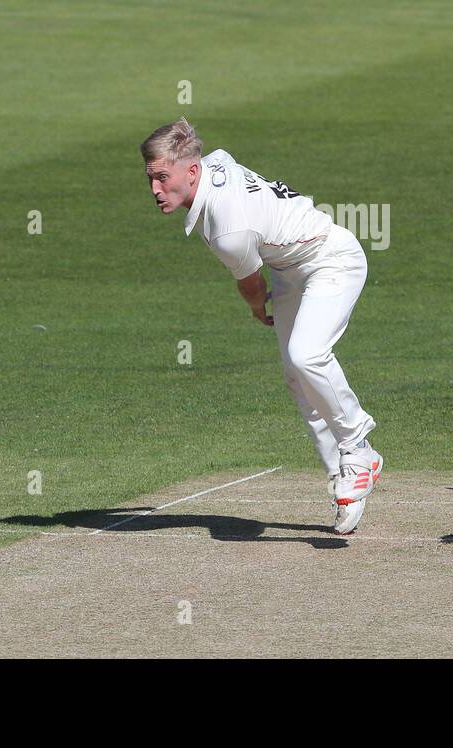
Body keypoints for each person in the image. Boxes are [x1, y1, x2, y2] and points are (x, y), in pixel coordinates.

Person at [141, 118, 382, 534]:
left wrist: (257, 308)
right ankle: (342, 476)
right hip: (291, 268)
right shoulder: (213, 161)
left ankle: (359, 448)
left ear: (191, 171)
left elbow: (252, 285)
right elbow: (222, 157)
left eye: (163, 178)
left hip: (331, 258)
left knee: (307, 355)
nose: (155, 190)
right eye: (150, 179)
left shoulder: (228, 232)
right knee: (296, 375)